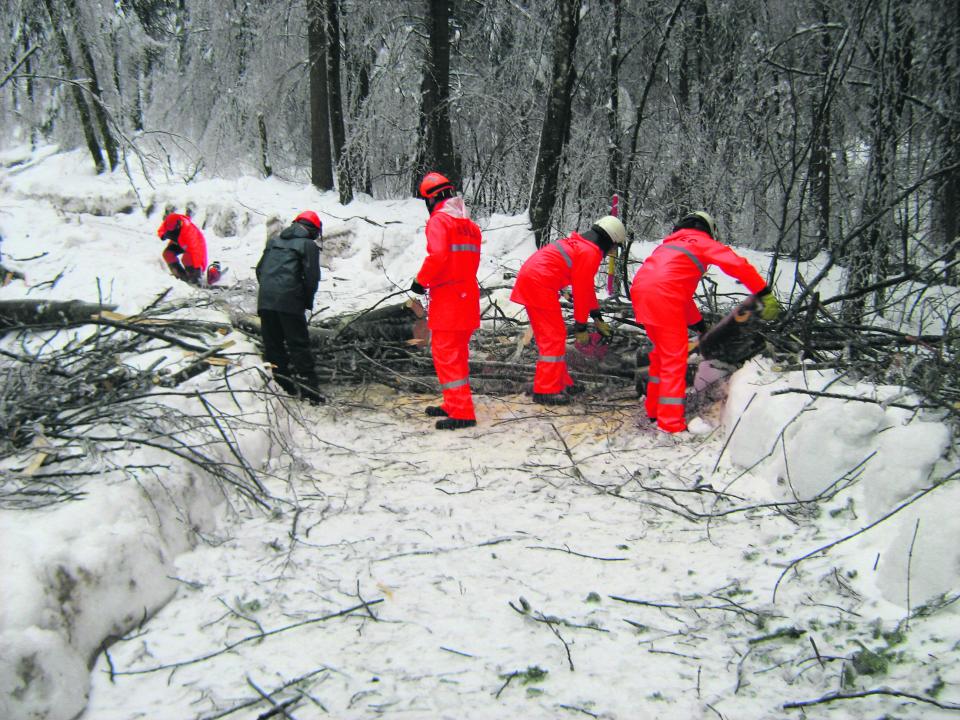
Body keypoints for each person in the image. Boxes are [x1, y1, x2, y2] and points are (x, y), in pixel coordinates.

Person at [630, 210, 781, 433]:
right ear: (707, 229)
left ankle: (654, 410)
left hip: (642, 295)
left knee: (661, 356)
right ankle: (670, 423)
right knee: (674, 360)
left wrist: (700, 326)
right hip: (663, 297)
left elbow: (676, 294)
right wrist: (763, 292)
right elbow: (736, 264)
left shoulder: (667, 247)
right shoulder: (700, 241)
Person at [510, 216, 626, 405]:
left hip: (535, 282)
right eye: (615, 246)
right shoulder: (590, 252)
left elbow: (586, 288)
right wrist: (581, 327)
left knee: (551, 337)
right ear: (610, 239)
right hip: (539, 285)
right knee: (553, 338)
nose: (613, 251)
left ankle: (560, 381)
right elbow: (581, 293)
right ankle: (546, 390)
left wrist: (596, 317)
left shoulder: (582, 245)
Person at [409, 172, 482, 430]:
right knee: (457, 355)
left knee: (446, 354)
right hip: (468, 296)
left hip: (449, 298)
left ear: (431, 199)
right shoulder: (470, 226)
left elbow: (439, 256)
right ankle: (454, 404)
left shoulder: (440, 222)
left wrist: (420, 281)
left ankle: (461, 412)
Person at [256, 210, 324, 404]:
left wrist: (270, 291)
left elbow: (260, 270)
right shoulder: (308, 245)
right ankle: (311, 393)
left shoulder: (274, 241)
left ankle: (283, 387)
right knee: (298, 345)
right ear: (314, 229)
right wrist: (304, 301)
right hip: (289, 300)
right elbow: (312, 278)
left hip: (266, 300)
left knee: (273, 346)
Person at [157, 212, 208, 284]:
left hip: (193, 246)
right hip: (179, 242)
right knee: (168, 254)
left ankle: (194, 276)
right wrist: (163, 235)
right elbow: (161, 230)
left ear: (179, 224)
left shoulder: (190, 231)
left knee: (187, 258)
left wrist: (198, 269)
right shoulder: (168, 222)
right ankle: (180, 275)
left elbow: (197, 251)